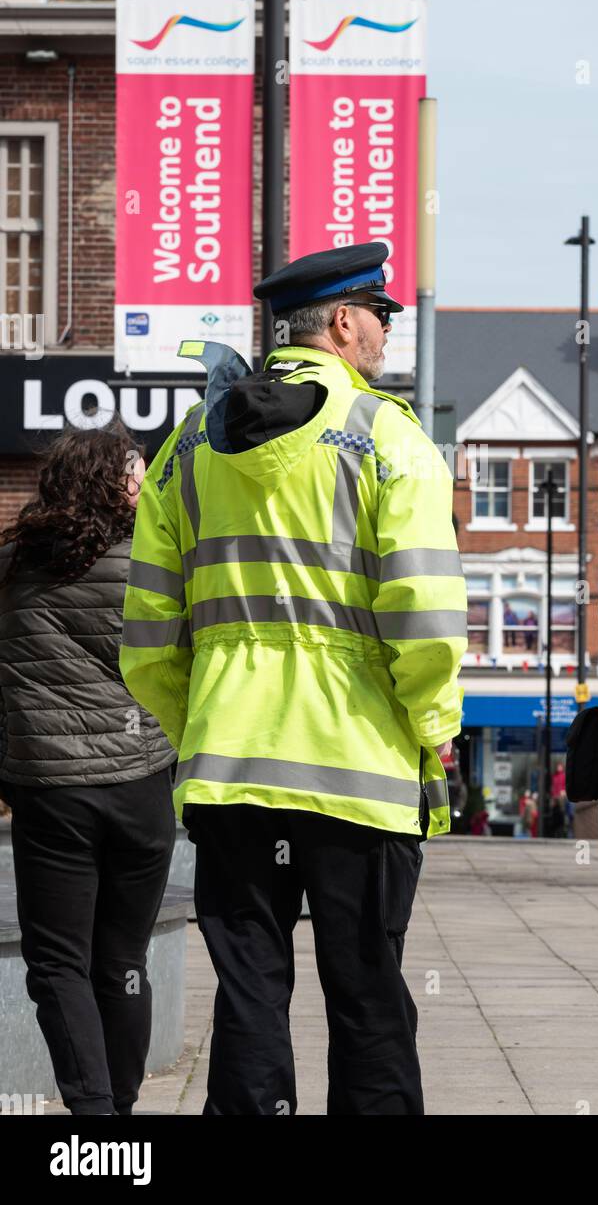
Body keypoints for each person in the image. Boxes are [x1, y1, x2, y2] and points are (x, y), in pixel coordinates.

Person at [120, 241, 467, 1116]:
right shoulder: (390, 440)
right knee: (366, 995)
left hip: (229, 771)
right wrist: (434, 724)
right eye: (381, 317)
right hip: (360, 776)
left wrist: (199, 718)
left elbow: (150, 639)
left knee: (248, 995)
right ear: (343, 324)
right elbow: (423, 614)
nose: (386, 335)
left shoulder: (186, 447)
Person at [0, 422, 176, 1116]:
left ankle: (95, 1117)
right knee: (124, 960)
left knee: (58, 965)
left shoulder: (12, 565)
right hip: (141, 788)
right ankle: (120, 1117)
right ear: (116, 486)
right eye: (135, 473)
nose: (144, 484)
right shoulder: (158, 569)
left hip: (51, 789)